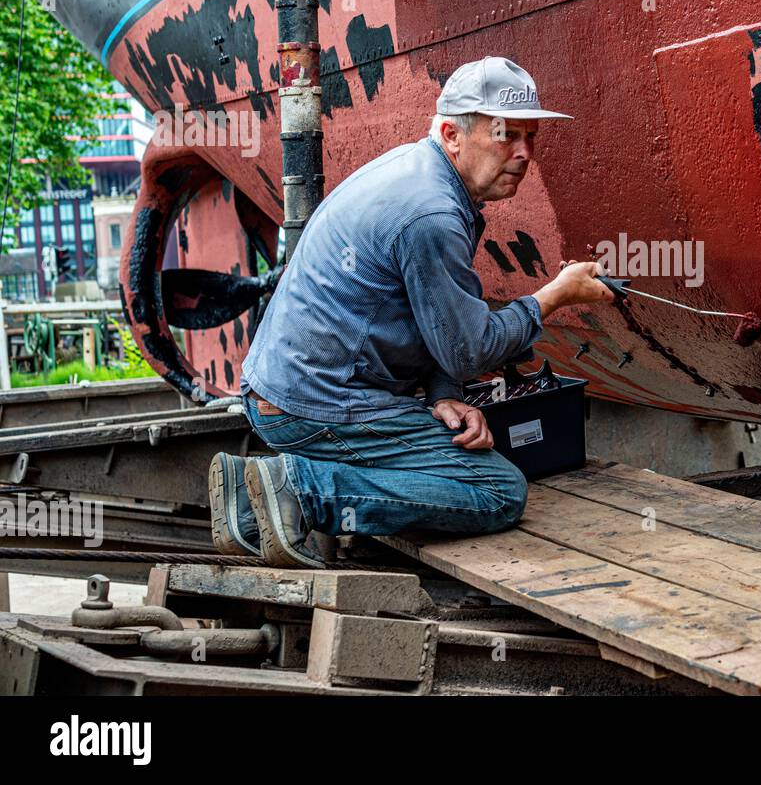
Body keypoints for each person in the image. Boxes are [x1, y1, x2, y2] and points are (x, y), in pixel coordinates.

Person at [209, 56, 613, 567]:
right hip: (309, 406)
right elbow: (472, 347)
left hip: (286, 389)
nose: (524, 153)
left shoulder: (419, 174)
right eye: (507, 136)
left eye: (531, 137)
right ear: (452, 134)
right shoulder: (433, 214)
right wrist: (553, 295)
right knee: (497, 490)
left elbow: (443, 325)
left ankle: (253, 499)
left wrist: (444, 395)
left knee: (458, 462)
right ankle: (300, 490)